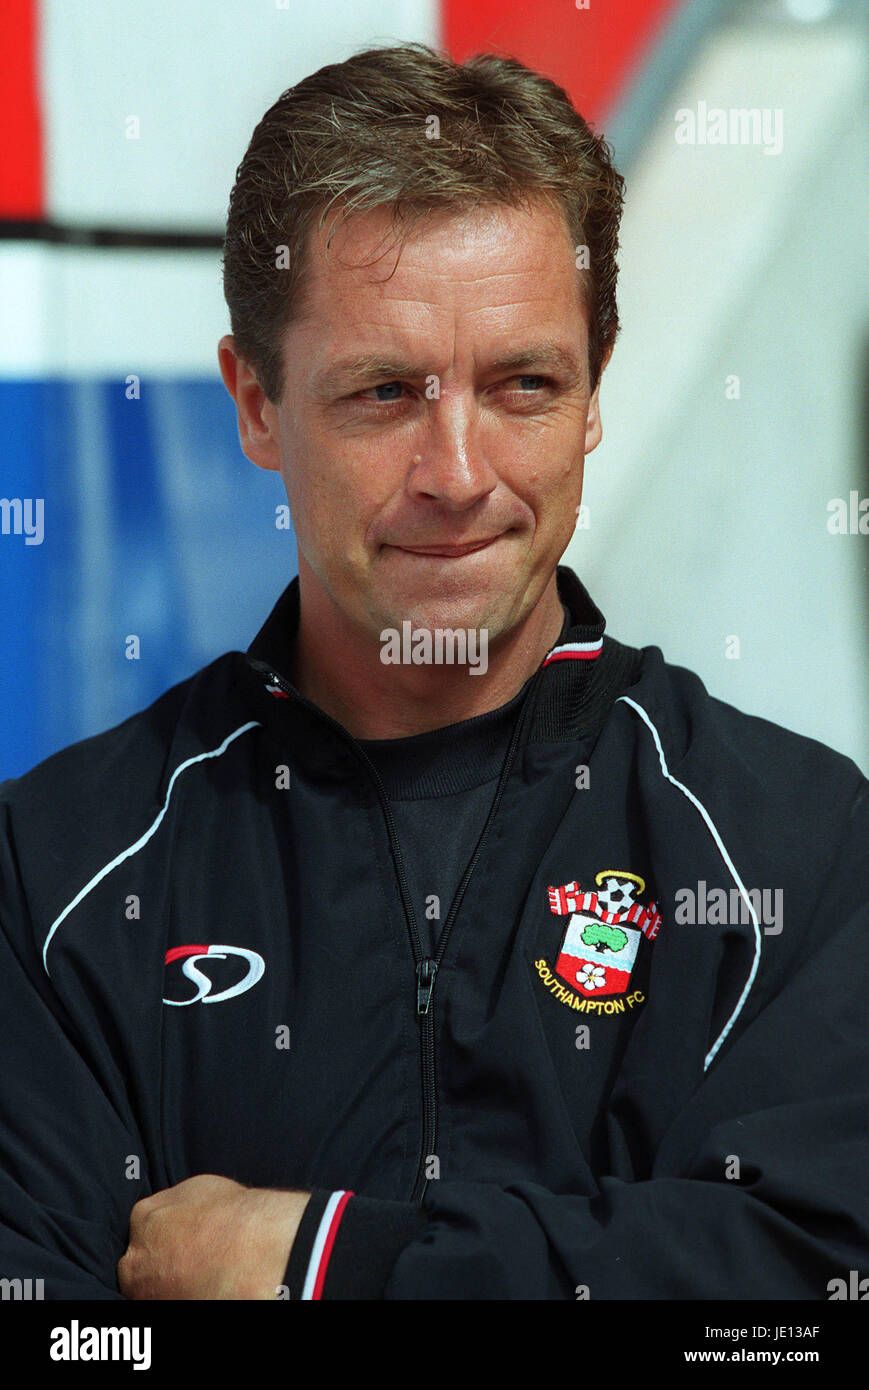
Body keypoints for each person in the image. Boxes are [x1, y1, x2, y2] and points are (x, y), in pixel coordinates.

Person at [0, 43, 866, 1302]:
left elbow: (805, 1295)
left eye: (522, 384)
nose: (456, 472)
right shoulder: (56, 875)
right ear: (254, 404)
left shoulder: (796, 845)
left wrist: (325, 1265)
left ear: (591, 400)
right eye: (383, 392)